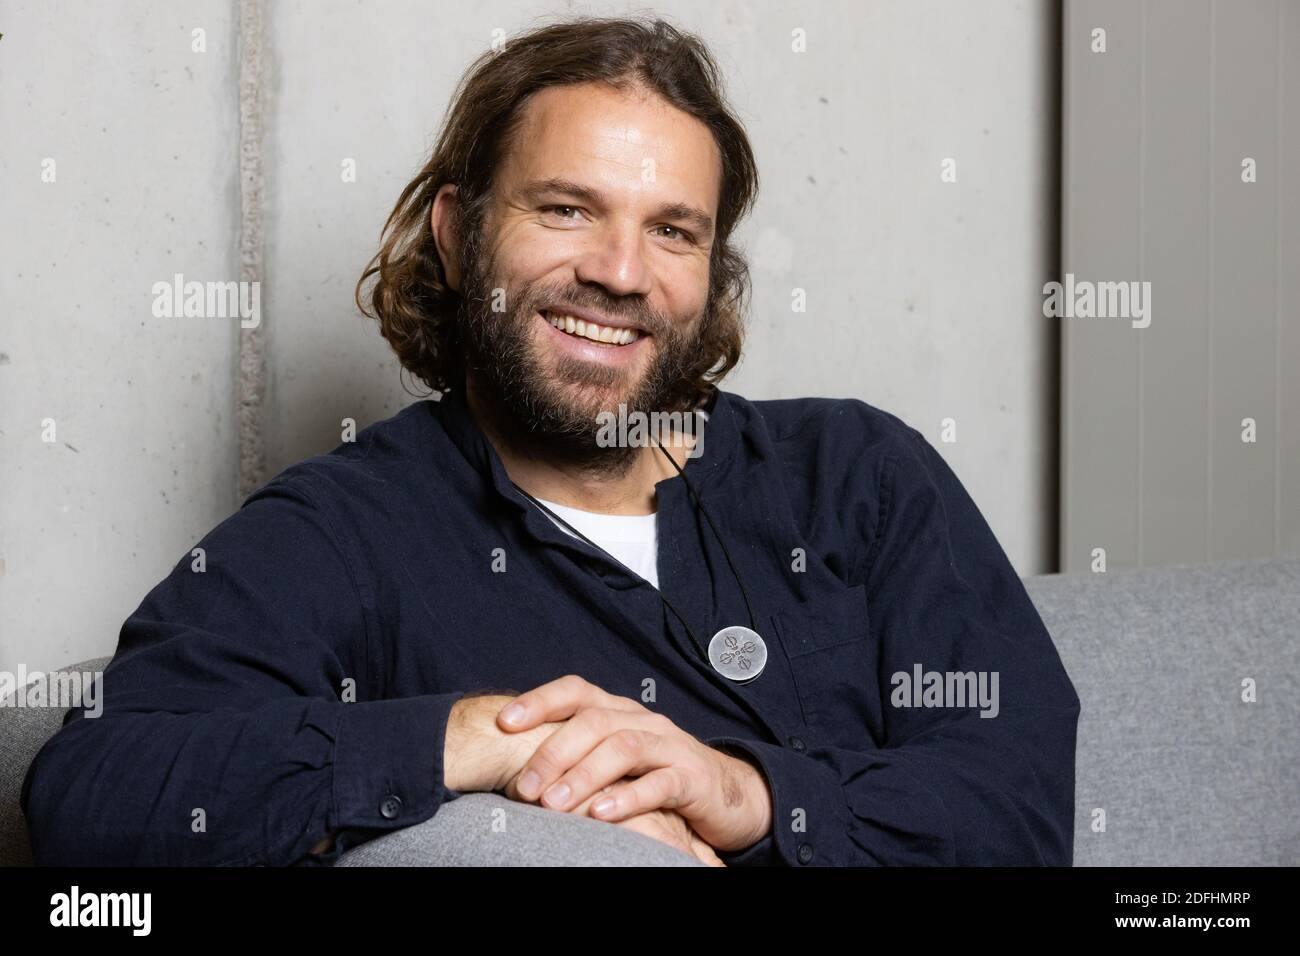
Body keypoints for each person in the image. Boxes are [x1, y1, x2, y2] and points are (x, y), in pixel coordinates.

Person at [22, 15, 1080, 867]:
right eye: (568, 209)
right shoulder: (346, 530)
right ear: (456, 228)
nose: (621, 272)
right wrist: (480, 738)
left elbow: (1018, 803)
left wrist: (748, 795)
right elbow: (91, 792)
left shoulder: (859, 474)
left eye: (673, 230)